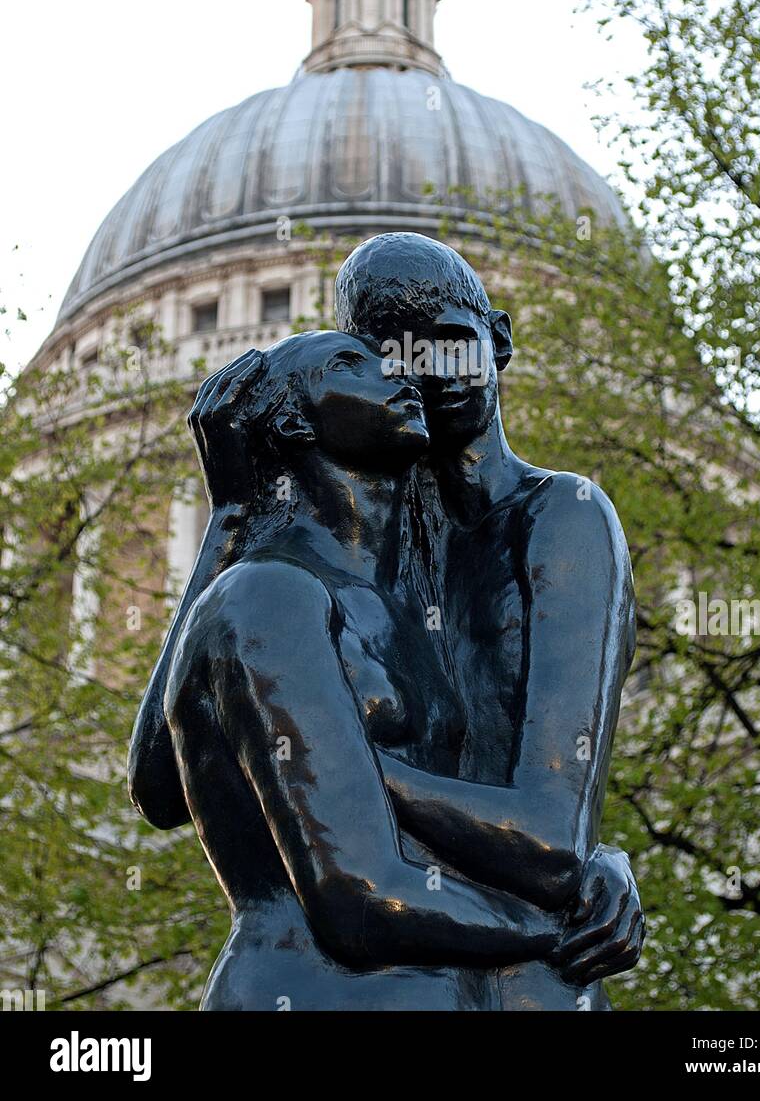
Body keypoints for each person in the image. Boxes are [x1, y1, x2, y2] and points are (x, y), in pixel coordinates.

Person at [159, 331, 610, 1009]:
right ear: (290, 419)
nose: (398, 368)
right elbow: (359, 896)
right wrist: (564, 932)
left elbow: (499, 812)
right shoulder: (271, 593)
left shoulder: (404, 605)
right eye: (350, 362)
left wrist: (598, 869)